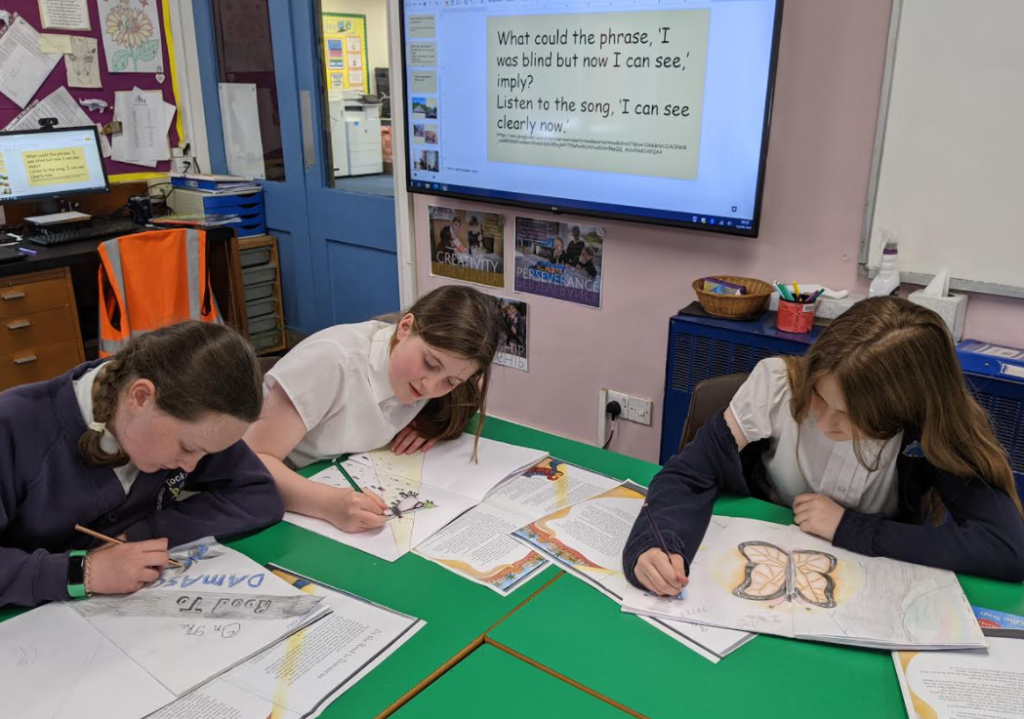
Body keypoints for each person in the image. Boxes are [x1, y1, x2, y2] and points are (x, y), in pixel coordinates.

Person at [625, 297, 1024, 596]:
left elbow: (1006, 548)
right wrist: (655, 545)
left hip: (866, 585)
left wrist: (850, 527)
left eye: (853, 417)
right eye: (819, 396)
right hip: (758, 559)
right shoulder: (777, 386)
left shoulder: (931, 424)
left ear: (904, 411)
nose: (826, 421)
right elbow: (689, 472)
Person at [0, 322, 284, 608]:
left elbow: (259, 495)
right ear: (141, 397)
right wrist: (84, 573)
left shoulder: (198, 420)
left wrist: (145, 532)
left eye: (206, 452)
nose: (190, 467)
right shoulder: (15, 425)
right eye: (187, 448)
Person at [244, 285, 504, 535]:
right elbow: (250, 461)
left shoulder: (440, 371)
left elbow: (469, 391)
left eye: (450, 382)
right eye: (430, 363)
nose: (430, 386)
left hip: (326, 469)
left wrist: (436, 425)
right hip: (259, 483)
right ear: (405, 327)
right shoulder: (331, 362)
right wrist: (325, 504)